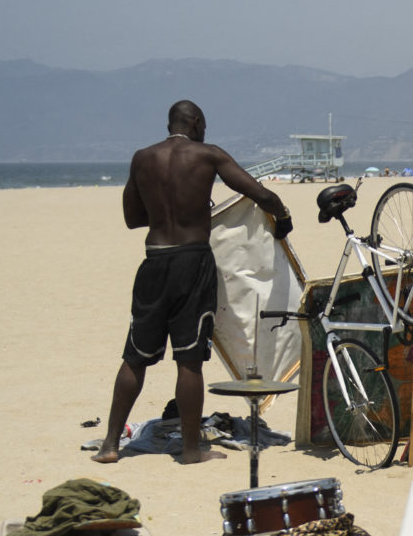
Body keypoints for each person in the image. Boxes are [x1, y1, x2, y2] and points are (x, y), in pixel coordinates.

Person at [93, 99, 292, 464]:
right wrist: (283, 217)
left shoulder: (142, 158)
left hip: (154, 262)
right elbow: (261, 193)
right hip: (192, 262)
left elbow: (132, 218)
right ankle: (189, 450)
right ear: (196, 122)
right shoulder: (208, 155)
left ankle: (109, 445)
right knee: (188, 359)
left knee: (135, 357)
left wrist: (165, 212)